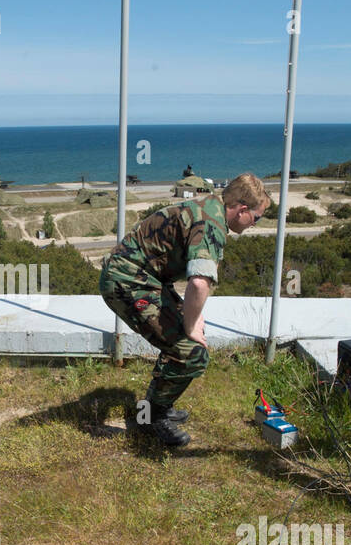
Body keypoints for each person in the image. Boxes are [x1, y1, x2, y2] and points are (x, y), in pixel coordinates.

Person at [99, 174, 270, 446]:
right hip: (127, 282)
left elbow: (192, 279)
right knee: (190, 352)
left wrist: (193, 316)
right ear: (242, 210)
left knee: (183, 343)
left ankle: (155, 408)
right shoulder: (211, 224)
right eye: (256, 218)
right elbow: (200, 282)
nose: (254, 224)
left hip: (143, 278)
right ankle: (152, 417)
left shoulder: (210, 206)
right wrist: (189, 325)